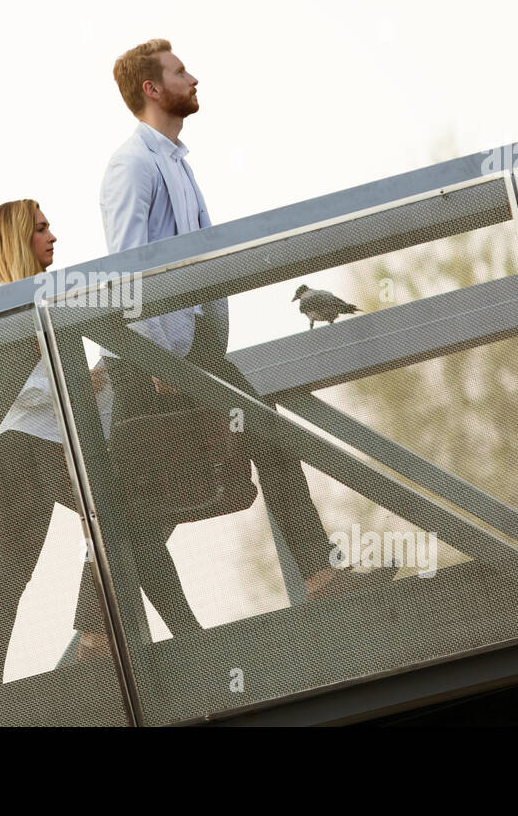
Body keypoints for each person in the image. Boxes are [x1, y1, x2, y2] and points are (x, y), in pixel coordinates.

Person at [99, 38, 369, 615]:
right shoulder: (133, 163)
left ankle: (319, 573)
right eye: (179, 72)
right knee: (142, 501)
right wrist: (154, 359)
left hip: (194, 350)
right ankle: (99, 637)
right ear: (152, 89)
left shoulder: (175, 162)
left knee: (219, 460)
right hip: (155, 359)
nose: (193, 78)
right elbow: (126, 265)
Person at [0, 199, 112, 690]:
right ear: (15, 241)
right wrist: (71, 382)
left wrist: (80, 379)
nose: (52, 238)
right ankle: (96, 639)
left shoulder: (43, 298)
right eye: (40, 230)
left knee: (15, 571)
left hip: (37, 444)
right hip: (24, 445)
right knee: (113, 518)